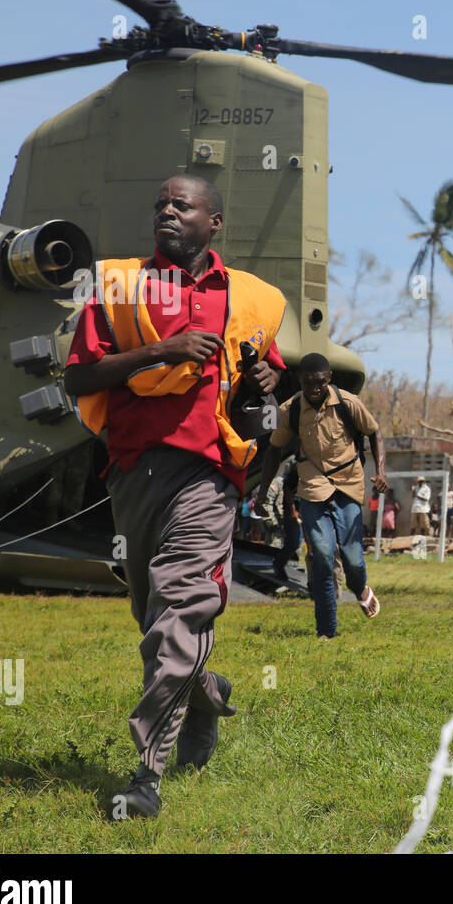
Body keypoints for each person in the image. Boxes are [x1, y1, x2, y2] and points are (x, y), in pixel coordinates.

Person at [63, 174, 287, 820]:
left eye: (181, 204)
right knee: (153, 612)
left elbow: (265, 385)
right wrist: (159, 350)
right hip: (132, 469)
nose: (166, 210)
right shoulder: (120, 286)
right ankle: (204, 689)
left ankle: (145, 779)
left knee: (180, 608)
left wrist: (273, 376)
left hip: (209, 473)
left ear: (213, 222)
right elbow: (79, 374)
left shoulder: (248, 297)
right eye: (160, 203)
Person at [254, 352, 390, 637]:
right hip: (313, 487)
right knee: (322, 556)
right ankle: (327, 630)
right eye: (308, 383)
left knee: (352, 557)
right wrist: (263, 491)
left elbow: (375, 434)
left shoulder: (348, 403)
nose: (314, 389)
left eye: (319, 383)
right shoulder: (290, 409)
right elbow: (274, 450)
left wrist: (380, 472)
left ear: (329, 379)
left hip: (348, 484)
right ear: (300, 382)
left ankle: (360, 587)